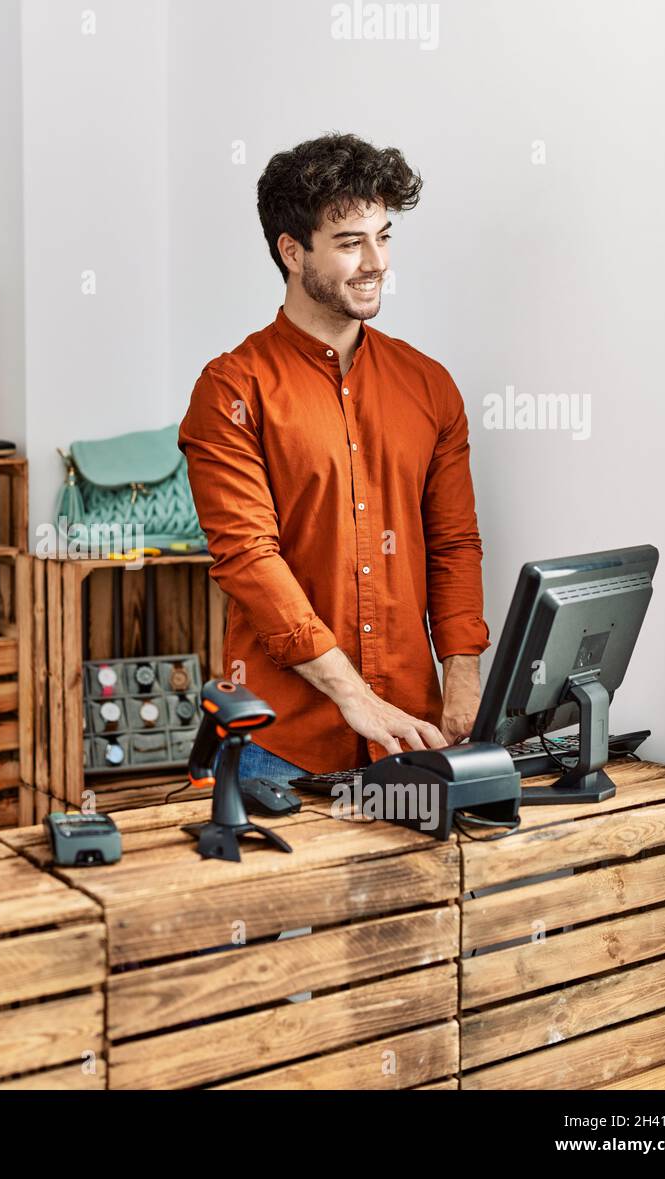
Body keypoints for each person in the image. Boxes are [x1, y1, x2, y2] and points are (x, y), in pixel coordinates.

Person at [179, 133, 490, 784]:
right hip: (279, 749)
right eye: (351, 243)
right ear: (292, 252)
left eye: (384, 236)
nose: (376, 261)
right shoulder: (232, 389)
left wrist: (462, 671)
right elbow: (249, 558)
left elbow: (454, 543)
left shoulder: (430, 385)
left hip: (412, 735)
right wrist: (352, 694)